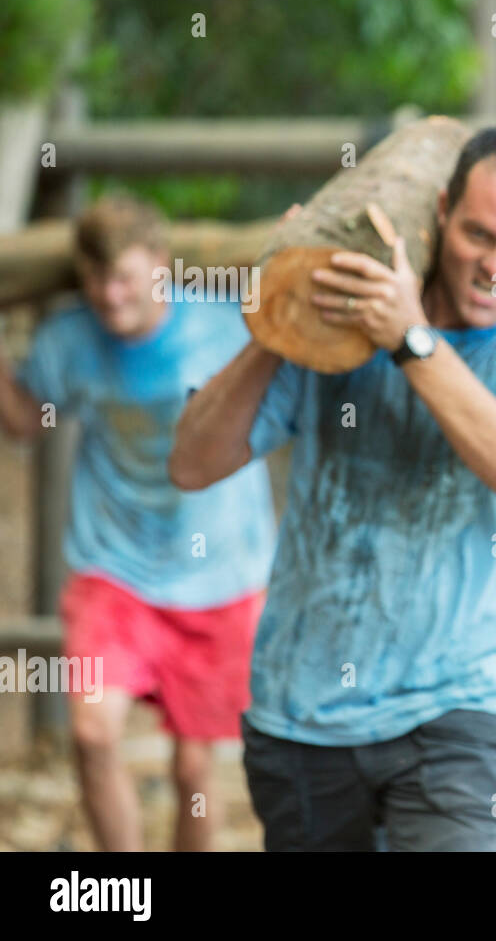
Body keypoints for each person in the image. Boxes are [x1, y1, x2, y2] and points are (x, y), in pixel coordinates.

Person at [169, 126, 496, 851]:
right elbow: (191, 462)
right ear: (440, 211)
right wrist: (277, 308)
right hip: (300, 710)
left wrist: (411, 341)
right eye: (478, 235)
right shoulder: (334, 326)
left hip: (458, 716)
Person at [0, 195, 278, 851]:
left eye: (124, 277)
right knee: (94, 733)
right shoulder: (72, 336)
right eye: (96, 280)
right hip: (114, 563)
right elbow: (23, 424)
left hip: (221, 569)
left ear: (161, 264)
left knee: (192, 768)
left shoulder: (225, 321)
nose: (110, 296)